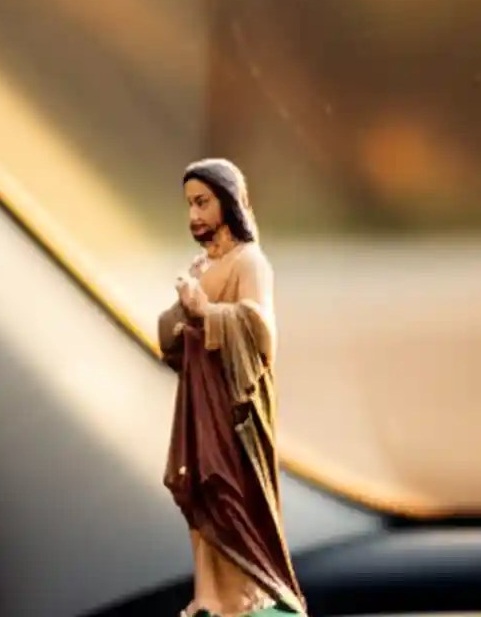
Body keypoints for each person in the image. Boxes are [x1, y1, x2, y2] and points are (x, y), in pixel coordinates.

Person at [157, 158, 307, 617]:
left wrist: (208, 314)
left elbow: (262, 332)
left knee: (228, 491)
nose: (194, 217)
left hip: (234, 409)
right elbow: (170, 332)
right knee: (198, 489)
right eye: (189, 205)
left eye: (203, 203)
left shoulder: (250, 262)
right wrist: (183, 319)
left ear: (228, 202)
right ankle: (208, 593)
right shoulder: (202, 265)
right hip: (199, 401)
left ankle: (246, 594)